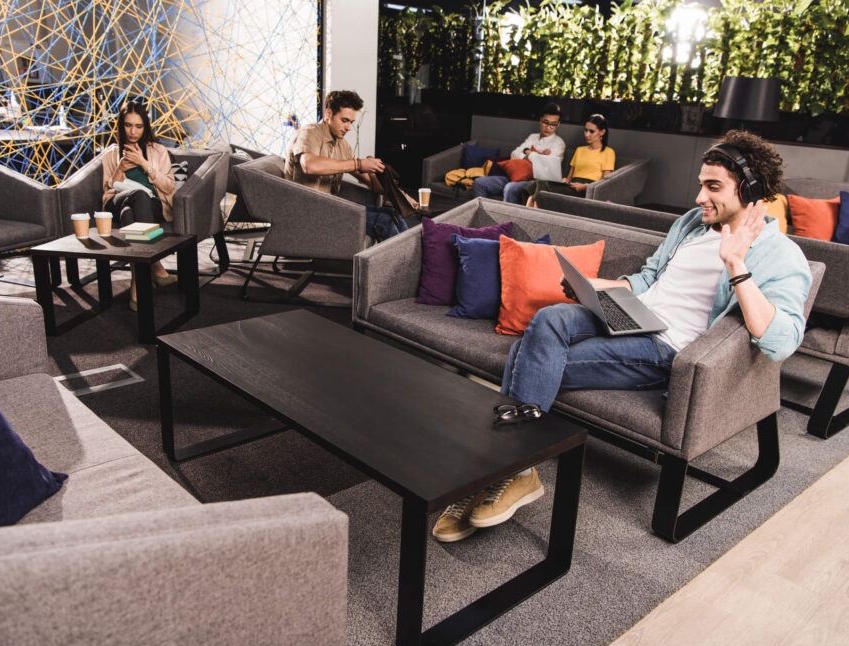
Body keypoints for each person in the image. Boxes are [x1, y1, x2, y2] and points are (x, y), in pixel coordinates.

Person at [432, 129, 813, 543]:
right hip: (634, 315)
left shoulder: (780, 253)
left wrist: (735, 261)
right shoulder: (692, 224)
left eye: (713, 187)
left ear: (750, 188)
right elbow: (651, 277)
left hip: (665, 347)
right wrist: (598, 287)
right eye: (701, 185)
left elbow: (781, 341)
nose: (699, 197)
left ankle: (499, 470)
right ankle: (513, 470)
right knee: (552, 317)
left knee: (528, 349)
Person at [285, 89, 414, 242]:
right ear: (328, 114)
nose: (348, 128)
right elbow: (309, 166)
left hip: (329, 208)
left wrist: (403, 197)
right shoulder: (309, 133)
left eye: (351, 122)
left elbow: (369, 180)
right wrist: (358, 163)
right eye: (344, 120)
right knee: (384, 223)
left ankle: (412, 263)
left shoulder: (342, 145)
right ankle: (397, 264)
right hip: (306, 213)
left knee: (393, 216)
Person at [102, 100, 178, 311]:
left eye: (138, 126)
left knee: (130, 213)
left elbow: (169, 186)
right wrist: (120, 166)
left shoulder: (158, 151)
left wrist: (145, 165)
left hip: (151, 203)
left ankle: (137, 281)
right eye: (128, 125)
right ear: (121, 125)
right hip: (117, 201)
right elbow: (108, 189)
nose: (133, 131)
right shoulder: (110, 154)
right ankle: (154, 266)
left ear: (145, 127)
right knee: (134, 197)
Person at [472, 102, 566, 205]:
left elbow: (547, 168)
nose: (548, 127)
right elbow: (514, 154)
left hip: (534, 182)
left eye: (553, 124)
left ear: (558, 124)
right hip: (515, 175)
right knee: (479, 183)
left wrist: (529, 154)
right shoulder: (532, 137)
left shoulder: (559, 143)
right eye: (545, 122)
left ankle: (506, 220)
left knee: (510, 188)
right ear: (540, 120)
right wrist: (535, 155)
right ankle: (482, 217)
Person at [523, 114, 615, 207]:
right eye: (586, 130)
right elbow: (569, 177)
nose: (587, 134)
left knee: (537, 193)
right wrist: (565, 180)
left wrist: (585, 186)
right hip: (572, 185)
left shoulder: (608, 152)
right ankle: (533, 210)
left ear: (602, 132)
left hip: (586, 189)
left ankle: (532, 212)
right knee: (538, 183)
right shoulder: (580, 150)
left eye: (591, 131)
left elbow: (604, 183)